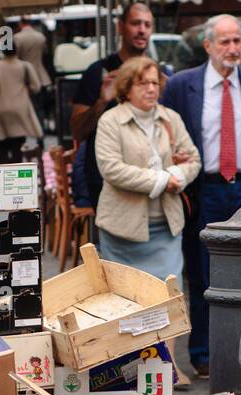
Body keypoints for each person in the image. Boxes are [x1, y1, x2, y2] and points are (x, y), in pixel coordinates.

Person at [162, 15, 241, 378]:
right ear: (208, 46)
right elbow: (167, 140)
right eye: (225, 42)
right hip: (206, 189)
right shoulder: (183, 86)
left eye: (237, 42)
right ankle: (203, 352)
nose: (233, 49)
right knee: (203, 272)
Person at [94, 57, 199, 293]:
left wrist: (178, 176)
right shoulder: (110, 121)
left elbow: (194, 159)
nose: (151, 89)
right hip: (123, 230)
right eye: (142, 83)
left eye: (155, 82)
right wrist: (162, 180)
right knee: (127, 301)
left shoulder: (171, 118)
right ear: (126, 88)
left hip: (166, 228)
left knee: (168, 298)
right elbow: (112, 169)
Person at [71, 3, 167, 209]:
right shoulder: (98, 72)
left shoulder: (160, 76)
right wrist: (102, 101)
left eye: (147, 25)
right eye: (135, 23)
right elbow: (77, 131)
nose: (142, 30)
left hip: (153, 178)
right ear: (120, 26)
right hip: (106, 180)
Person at [0, 41, 42, 164]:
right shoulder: (25, 66)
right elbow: (36, 86)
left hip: (1, 109)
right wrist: (26, 90)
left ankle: (2, 173)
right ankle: (15, 174)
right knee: (18, 145)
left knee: (1, 146)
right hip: (20, 108)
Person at [14, 19, 53, 131]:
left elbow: (16, 58)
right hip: (41, 76)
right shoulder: (40, 36)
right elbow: (45, 54)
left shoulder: (18, 38)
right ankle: (40, 130)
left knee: (28, 106)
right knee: (39, 106)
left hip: (25, 76)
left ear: (20, 24)